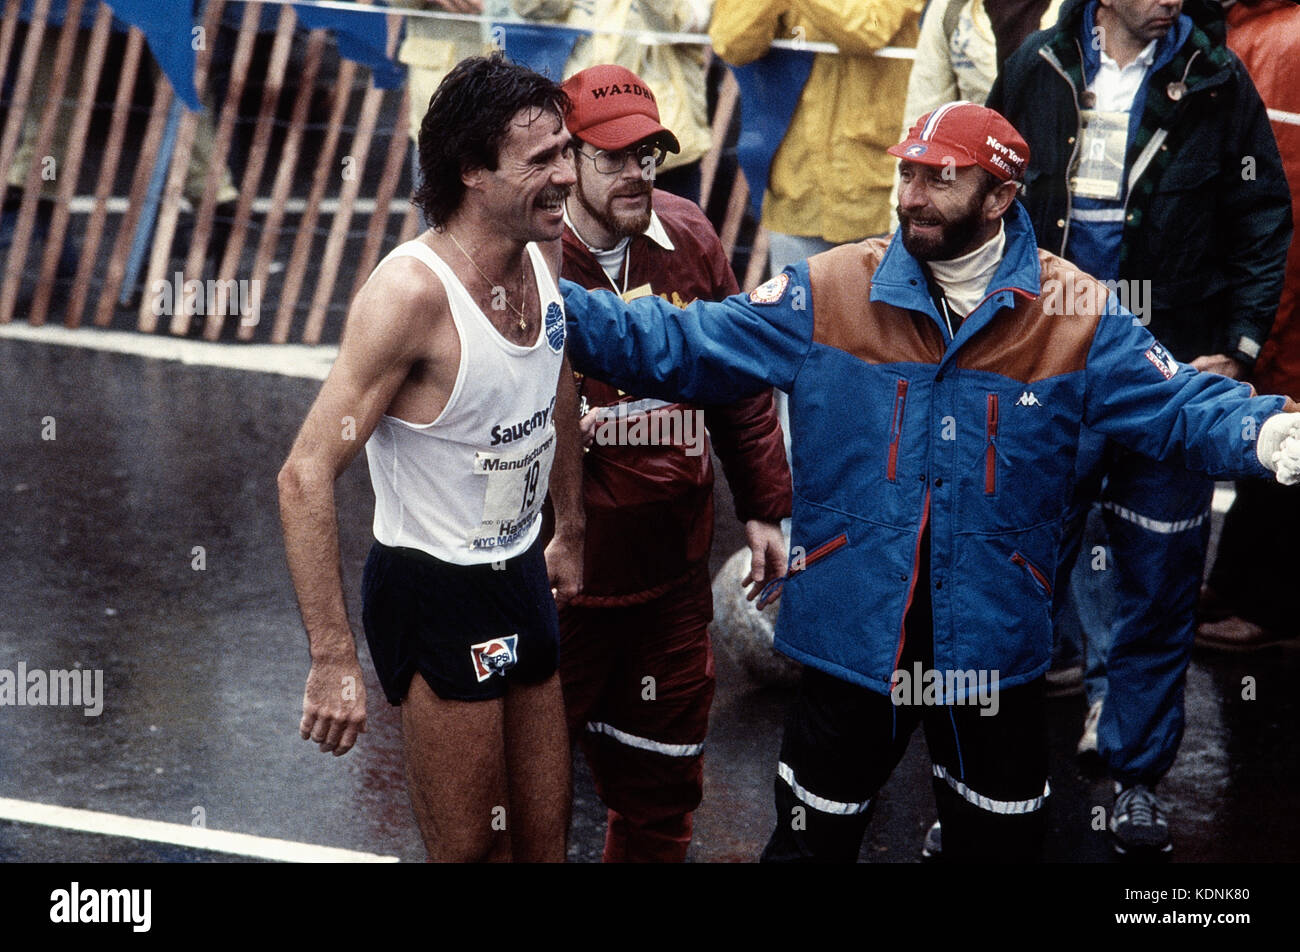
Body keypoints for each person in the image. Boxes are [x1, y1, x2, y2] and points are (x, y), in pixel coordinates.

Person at [558, 101, 1300, 862]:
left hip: (990, 640)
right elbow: (683, 341)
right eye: (907, 172)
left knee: (999, 847)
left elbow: (1177, 404)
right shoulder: (832, 288)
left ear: (1001, 195)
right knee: (810, 845)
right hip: (852, 635)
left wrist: (1274, 432)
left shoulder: (1072, 311)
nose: (912, 195)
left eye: (941, 178)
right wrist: (549, 302)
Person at [986, 0, 1291, 855]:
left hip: (1169, 380)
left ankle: (1136, 781)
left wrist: (1235, 347)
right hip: (1047, 370)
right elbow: (984, 202)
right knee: (1010, 575)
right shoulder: (1038, 67)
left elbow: (1262, 215)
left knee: (1158, 579)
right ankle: (984, 790)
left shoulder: (1216, 77)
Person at [277, 54, 585, 863]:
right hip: (435, 588)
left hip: (519, 572)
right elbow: (304, 476)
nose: (568, 175)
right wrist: (334, 660)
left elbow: (556, 385)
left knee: (545, 846)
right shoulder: (411, 296)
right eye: (543, 160)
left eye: (568, 150)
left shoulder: (542, 250)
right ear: (474, 172)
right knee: (468, 855)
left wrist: (572, 527)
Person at [555, 63, 791, 861]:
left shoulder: (688, 233)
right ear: (567, 158)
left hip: (672, 582)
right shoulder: (525, 256)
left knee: (662, 794)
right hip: (561, 591)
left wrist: (765, 507)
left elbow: (739, 379)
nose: (635, 175)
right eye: (613, 158)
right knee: (524, 799)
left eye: (647, 156)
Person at [1197, 0, 1300, 650]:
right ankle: (1238, 581)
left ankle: (1271, 604)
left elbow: (1283, 183)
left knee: (1286, 421)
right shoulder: (1245, 27)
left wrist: (1257, 310)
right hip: (1268, 281)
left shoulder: (1278, 37)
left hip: (1281, 283)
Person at [512, 0, 715, 203]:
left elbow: (683, 24)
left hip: (659, 150)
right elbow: (530, 7)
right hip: (585, 143)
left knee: (665, 227)